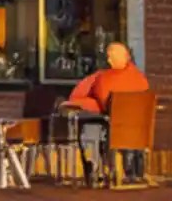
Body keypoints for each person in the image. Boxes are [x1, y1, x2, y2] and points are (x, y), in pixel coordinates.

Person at [62, 42, 150, 183]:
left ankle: (95, 169)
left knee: (91, 128)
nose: (108, 61)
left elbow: (102, 103)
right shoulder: (141, 80)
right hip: (139, 131)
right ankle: (134, 172)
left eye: (110, 57)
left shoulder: (104, 79)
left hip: (114, 129)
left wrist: (79, 103)